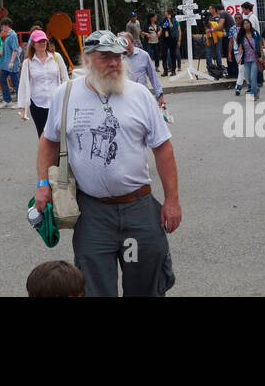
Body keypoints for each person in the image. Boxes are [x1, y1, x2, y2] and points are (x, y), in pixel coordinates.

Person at [34, 30, 181, 297]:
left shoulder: (139, 95)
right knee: (95, 287)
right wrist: (43, 183)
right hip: (92, 214)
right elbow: (48, 141)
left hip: (138, 209)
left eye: (118, 57)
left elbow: (163, 148)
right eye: (106, 57)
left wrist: (172, 200)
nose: (114, 63)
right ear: (88, 60)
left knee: (144, 284)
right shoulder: (65, 95)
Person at [16, 30, 69, 137]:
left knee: (59, 134)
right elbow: (23, 86)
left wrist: (68, 100)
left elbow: (65, 79)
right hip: (37, 104)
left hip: (56, 103)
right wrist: (22, 108)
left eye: (44, 41)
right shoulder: (28, 62)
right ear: (33, 44)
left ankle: (59, 154)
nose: (42, 43)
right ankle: (46, 154)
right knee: (43, 135)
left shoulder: (56, 57)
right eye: (39, 41)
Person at [121, 31, 167, 115]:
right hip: (124, 99)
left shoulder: (143, 55)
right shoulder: (117, 58)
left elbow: (153, 76)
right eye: (123, 48)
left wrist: (159, 95)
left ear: (133, 43)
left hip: (142, 97)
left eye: (128, 48)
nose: (126, 51)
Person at [233, 17, 264, 100]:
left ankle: (253, 95)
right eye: (245, 24)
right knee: (248, 78)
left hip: (255, 59)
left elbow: (260, 46)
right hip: (246, 59)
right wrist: (239, 58)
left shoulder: (255, 34)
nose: (246, 25)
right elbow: (240, 48)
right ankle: (256, 89)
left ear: (250, 24)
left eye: (248, 23)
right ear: (243, 26)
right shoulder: (241, 36)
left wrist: (261, 56)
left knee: (253, 76)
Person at [0, 18, 22, 106]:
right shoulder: (8, 35)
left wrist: (12, 62)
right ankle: (7, 100)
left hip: (11, 63)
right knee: (2, 80)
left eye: (2, 26)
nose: (2, 28)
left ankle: (20, 102)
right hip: (6, 63)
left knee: (16, 82)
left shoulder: (12, 35)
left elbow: (15, 50)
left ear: (6, 25)